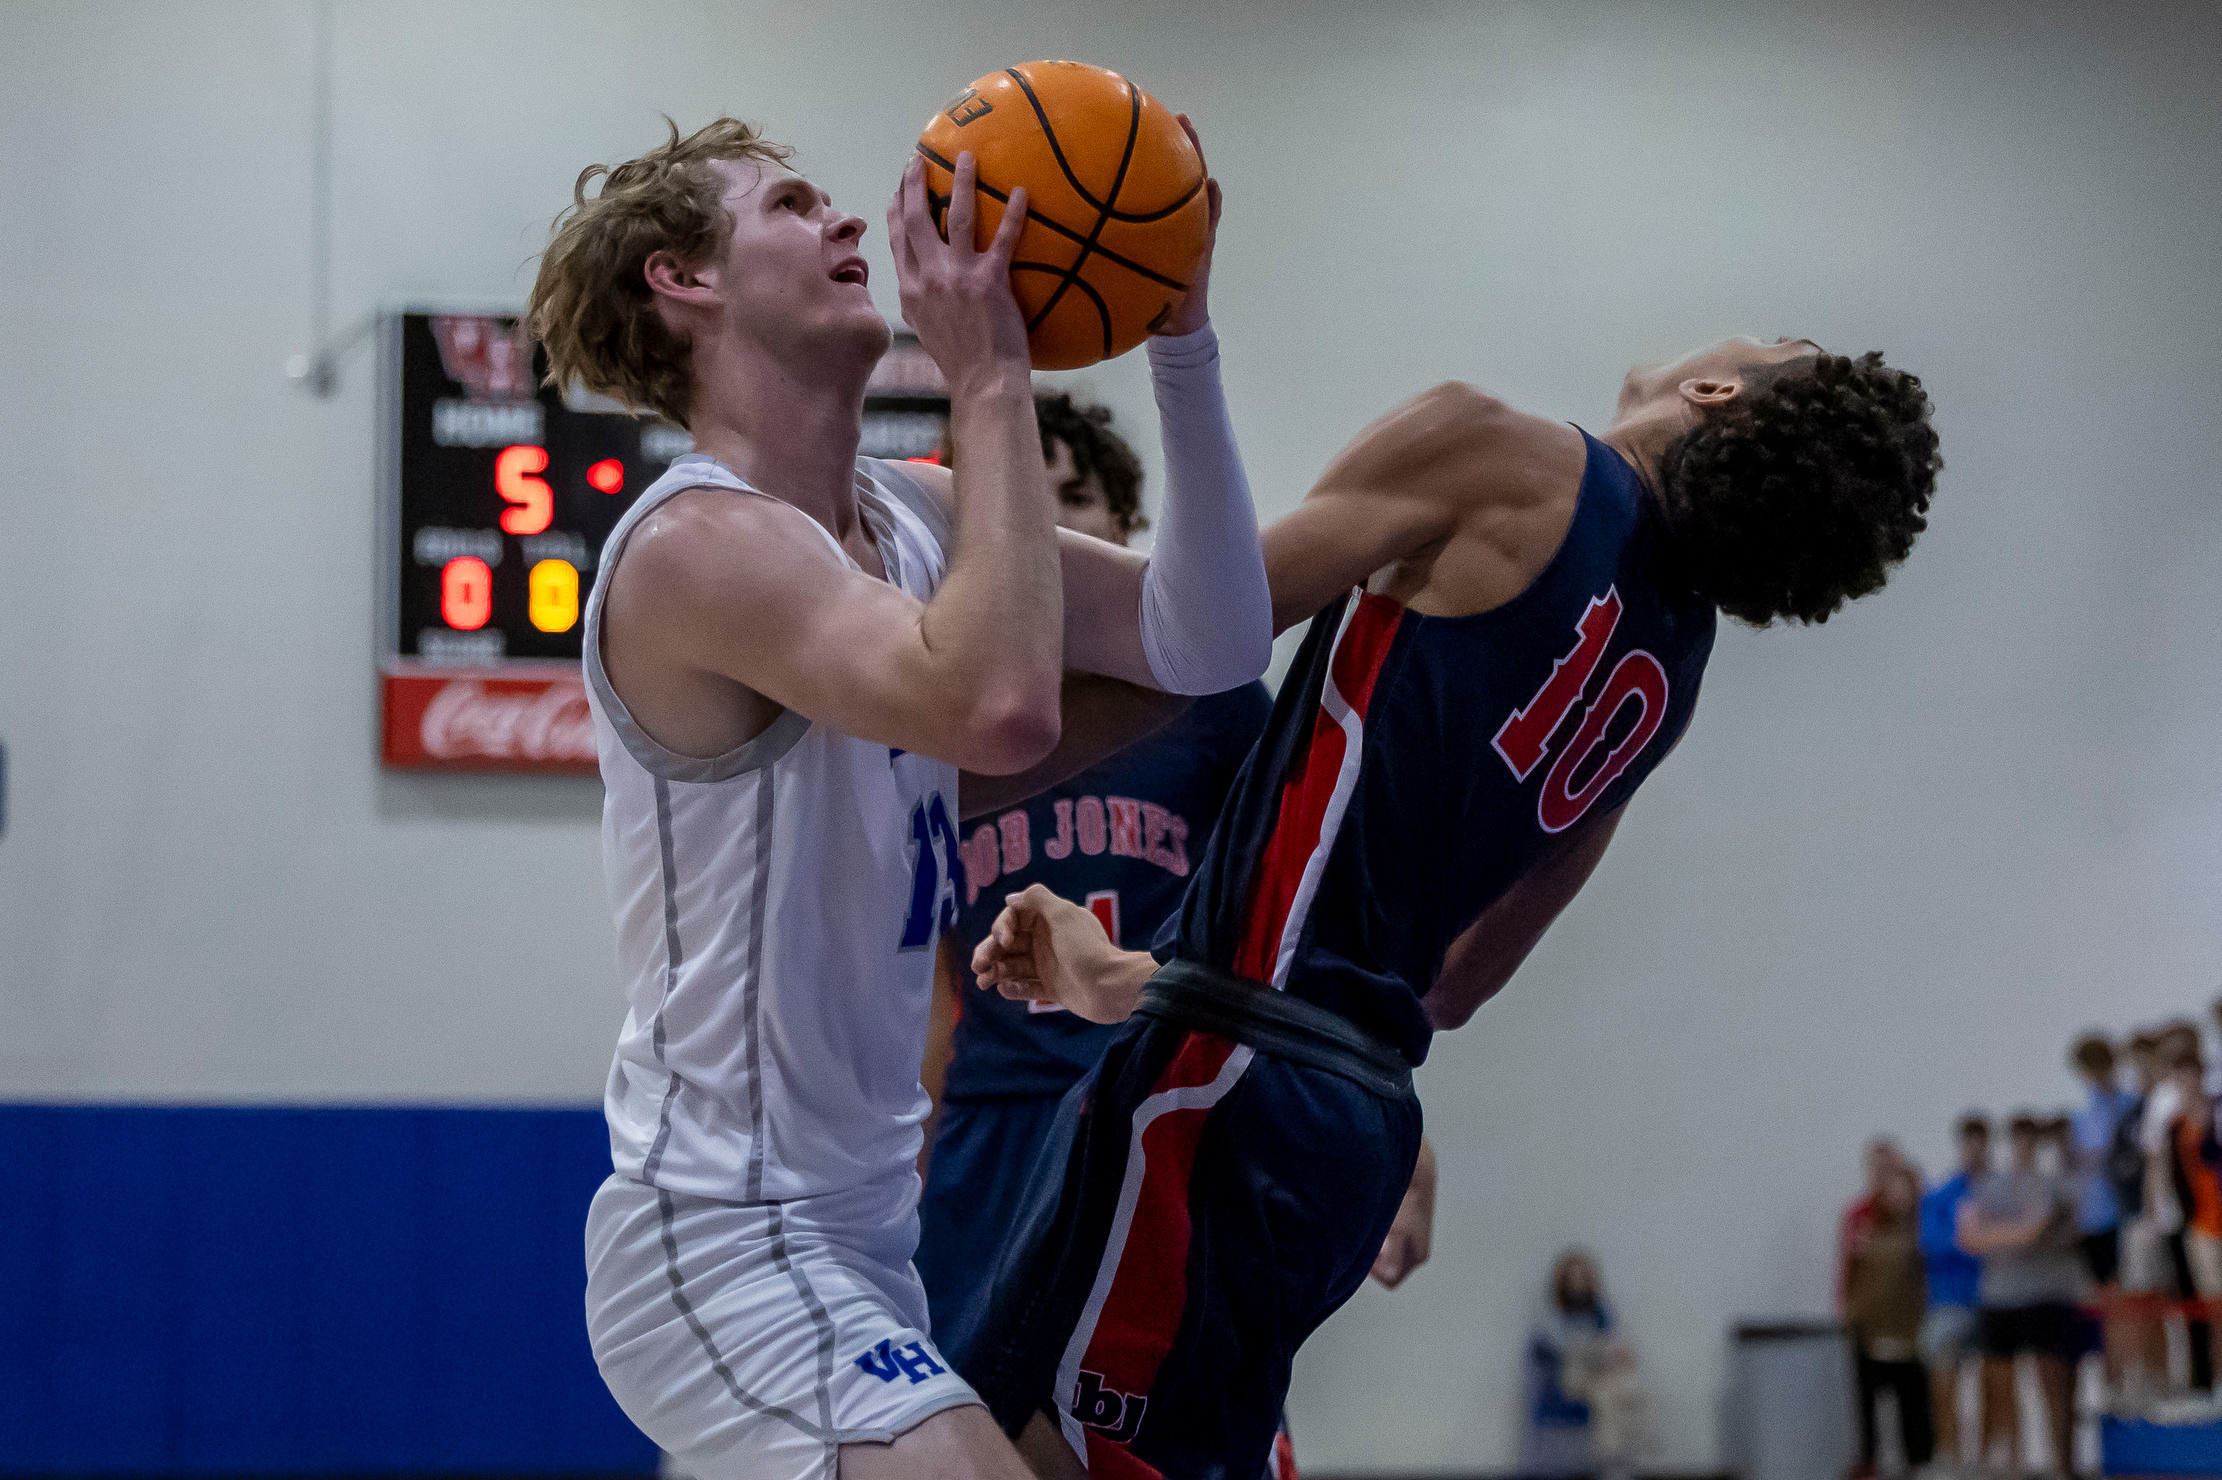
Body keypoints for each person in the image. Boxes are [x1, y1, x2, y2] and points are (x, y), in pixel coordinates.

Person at [963, 325, 1940, 1478]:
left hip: (1224, 1079)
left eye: (1774, 340)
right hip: (1356, 1115)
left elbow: (1197, 631)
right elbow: (1456, 980)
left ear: (1716, 388)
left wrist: (910, 725)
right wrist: (1138, 975)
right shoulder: (1673, 656)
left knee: (1018, 1447)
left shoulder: (1499, 455)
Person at [530, 117, 1272, 1479]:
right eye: (791, 205)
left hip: (874, 1223)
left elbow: (1210, 642)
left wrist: (1181, 341)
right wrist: (988, 378)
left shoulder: (914, 515)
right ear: (680, 281)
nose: (850, 224)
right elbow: (996, 709)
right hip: (724, 1228)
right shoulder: (693, 545)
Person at [1957, 1113, 2081, 1477]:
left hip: (2047, 1295)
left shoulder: (2055, 1184)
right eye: (2018, 1140)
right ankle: (2012, 1465)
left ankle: (2062, 1466)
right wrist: (2014, 1234)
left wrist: (1998, 1235)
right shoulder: (1988, 1186)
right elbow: (1969, 1237)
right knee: (2000, 1387)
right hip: (1999, 1297)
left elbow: (2036, 1230)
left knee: (2054, 1384)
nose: (2024, 1148)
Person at [1520, 1249, 1648, 1479]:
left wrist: (1617, 1353)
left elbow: (1614, 1341)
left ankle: (1629, 1457)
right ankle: (1612, 1464)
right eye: (1573, 1278)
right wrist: (1595, 1350)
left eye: (1583, 1277)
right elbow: (1562, 1350)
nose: (1578, 1283)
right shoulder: (1555, 1315)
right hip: (1572, 1379)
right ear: (1564, 1281)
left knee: (1632, 1390)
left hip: (1602, 1375)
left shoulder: (1601, 1314)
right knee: (1605, 1397)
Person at [1846, 1160, 1934, 1477]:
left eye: (1904, 1188)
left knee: (1912, 1401)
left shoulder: (1923, 1232)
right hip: (1872, 1328)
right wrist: (1853, 1315)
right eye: (1892, 1189)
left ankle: (1918, 1459)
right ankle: (1870, 1458)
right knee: (1868, 1399)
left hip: (1910, 1330)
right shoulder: (1868, 1230)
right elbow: (1856, 1278)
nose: (1898, 1195)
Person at [1919, 1115, 1988, 1467]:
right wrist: (1970, 1241)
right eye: (1970, 1143)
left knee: (1990, 1378)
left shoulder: (1995, 1190)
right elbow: (1931, 1240)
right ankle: (1949, 1451)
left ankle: (1989, 1452)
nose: (1976, 1151)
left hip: (1989, 1300)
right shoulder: (1942, 1195)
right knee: (1943, 1374)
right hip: (1950, 1300)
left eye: (1982, 1142)